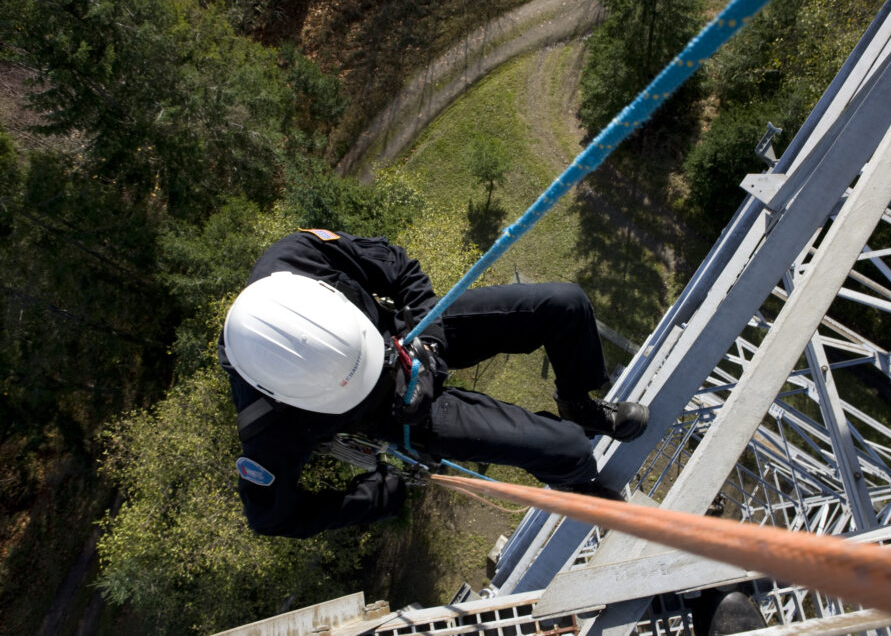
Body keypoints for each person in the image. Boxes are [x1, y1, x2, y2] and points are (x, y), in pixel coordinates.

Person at [219, 228, 649, 538]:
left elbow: (399, 267)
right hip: (396, 413)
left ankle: (577, 403)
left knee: (566, 305)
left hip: (411, 334)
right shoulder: (268, 422)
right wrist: (372, 499)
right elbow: (269, 518)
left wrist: (430, 347)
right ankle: (578, 484)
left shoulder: (302, 256)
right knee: (569, 449)